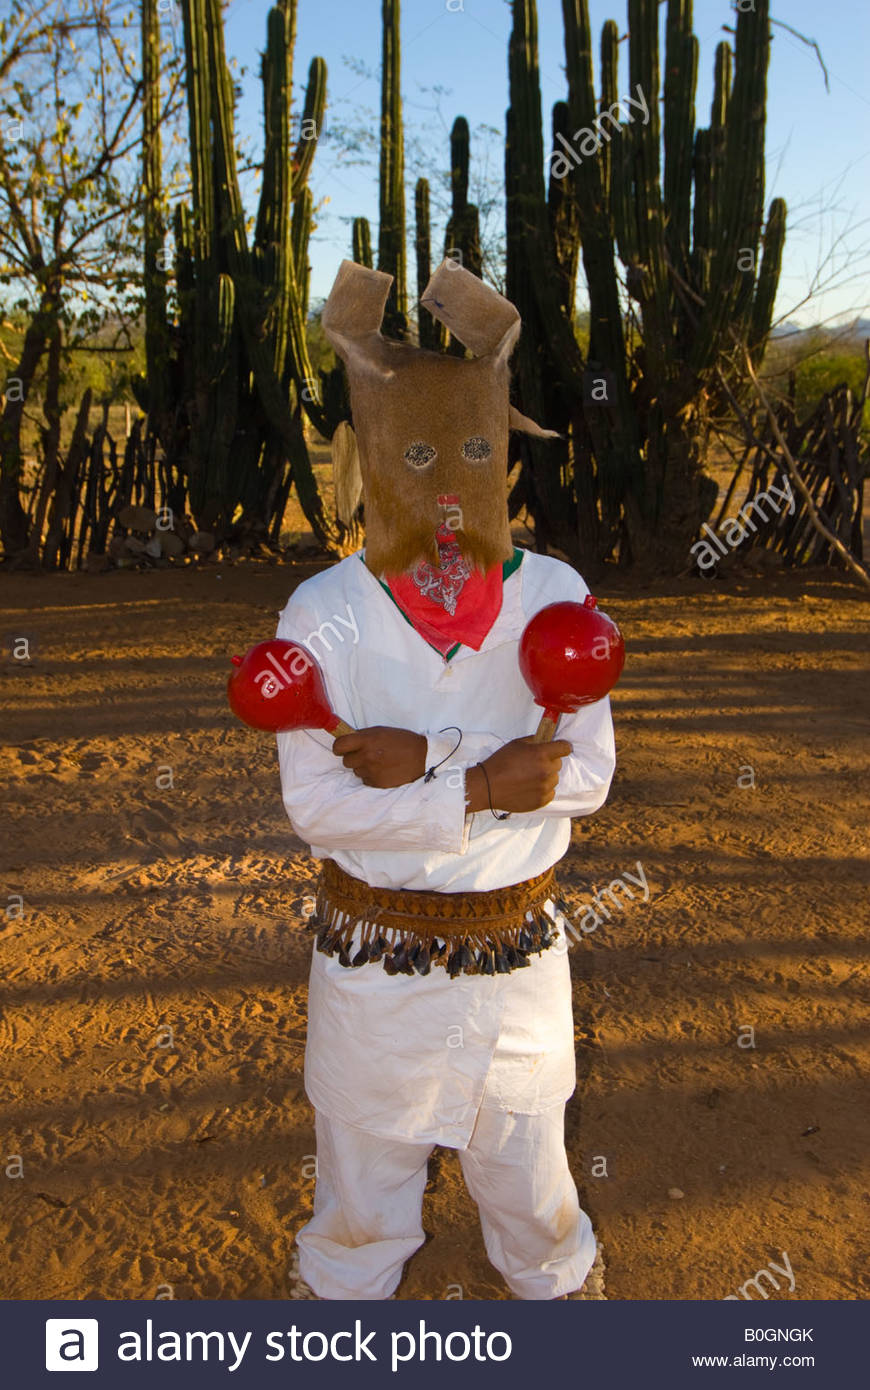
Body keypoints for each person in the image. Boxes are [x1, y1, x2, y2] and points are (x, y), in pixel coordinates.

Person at [275, 260, 616, 1301]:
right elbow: (320, 806)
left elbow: (588, 775)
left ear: (506, 449)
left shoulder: (556, 593)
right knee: (363, 1177)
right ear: (370, 454)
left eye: (475, 447)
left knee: (527, 1170)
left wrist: (429, 766)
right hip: (371, 962)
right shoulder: (320, 612)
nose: (451, 480)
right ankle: (341, 1301)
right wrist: (474, 786)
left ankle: (558, 1292)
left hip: (515, 959)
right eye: (418, 452)